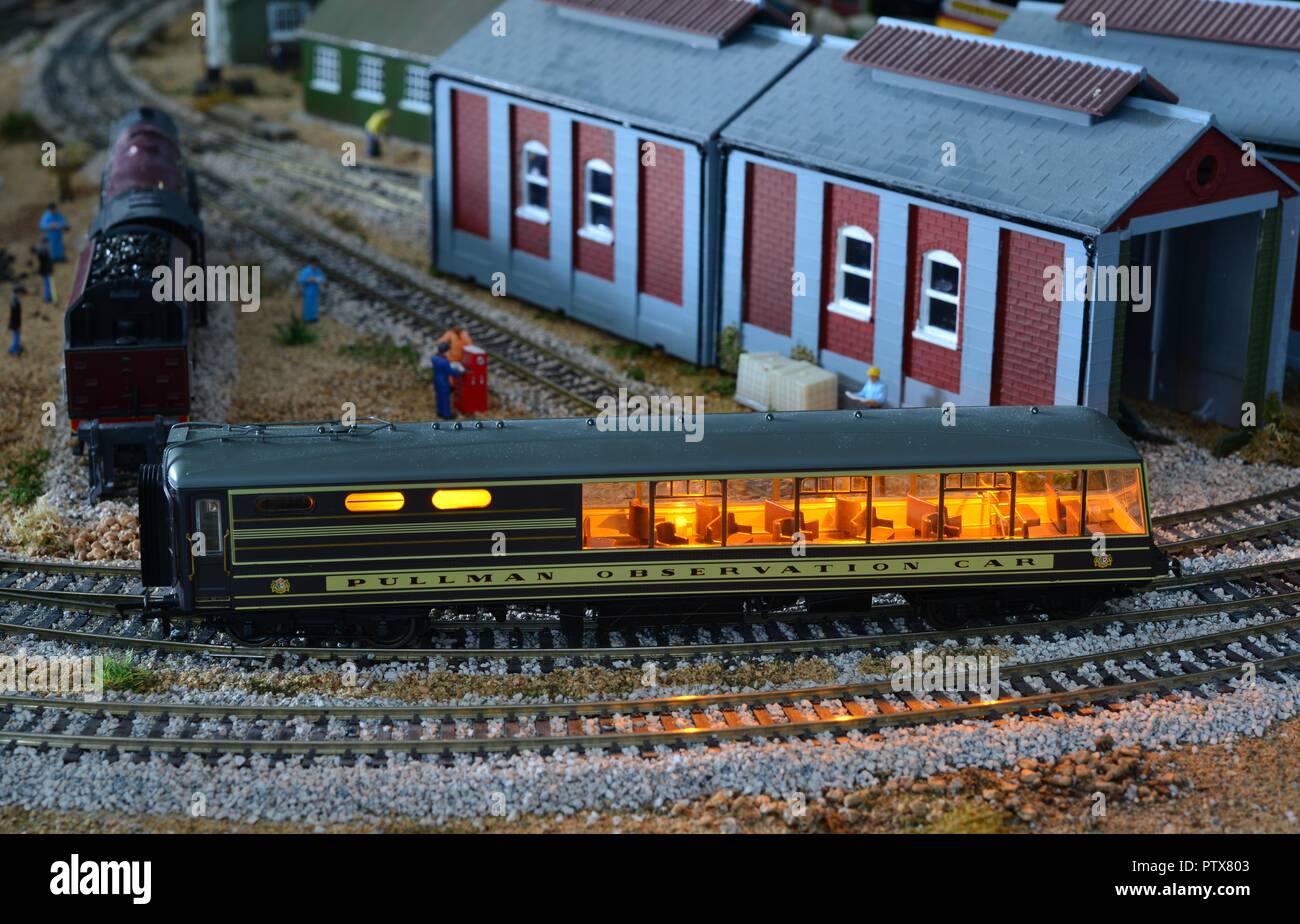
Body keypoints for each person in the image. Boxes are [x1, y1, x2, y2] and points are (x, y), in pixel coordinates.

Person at [432, 340, 464, 419]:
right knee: (445, 398)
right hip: (443, 381)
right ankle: (447, 414)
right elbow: (450, 371)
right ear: (445, 351)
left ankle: (440, 412)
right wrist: (460, 372)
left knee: (439, 397)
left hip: (436, 380)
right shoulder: (444, 362)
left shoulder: (434, 358)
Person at [296, 259, 325, 323]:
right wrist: (308, 280)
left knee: (314, 305)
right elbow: (300, 280)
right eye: (314, 264)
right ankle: (306, 319)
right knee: (307, 305)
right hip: (307, 291)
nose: (315, 266)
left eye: (316, 264)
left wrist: (316, 279)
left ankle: (313, 318)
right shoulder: (306, 271)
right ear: (311, 263)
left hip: (315, 291)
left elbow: (323, 278)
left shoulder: (318, 271)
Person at [35, 239, 54, 304]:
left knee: (48, 284)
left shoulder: (45, 251)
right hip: (45, 270)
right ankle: (47, 298)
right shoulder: (42, 252)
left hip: (46, 270)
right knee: (46, 284)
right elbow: (44, 262)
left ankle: (48, 297)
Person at [7, 290, 21, 356]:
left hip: (15, 324)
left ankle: (12, 349)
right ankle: (13, 350)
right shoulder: (14, 303)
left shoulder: (15, 302)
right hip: (14, 324)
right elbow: (14, 316)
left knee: (16, 337)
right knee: (16, 337)